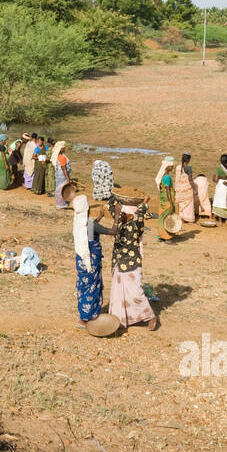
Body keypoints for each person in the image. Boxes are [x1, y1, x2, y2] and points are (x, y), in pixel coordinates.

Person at [66, 183, 114, 328]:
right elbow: (113, 232)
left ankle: (83, 316)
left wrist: (99, 217)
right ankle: (88, 318)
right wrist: (117, 216)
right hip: (91, 262)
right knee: (92, 288)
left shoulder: (78, 222)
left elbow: (91, 228)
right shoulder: (90, 225)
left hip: (81, 260)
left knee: (84, 287)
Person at [107, 195, 156, 329]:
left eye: (125, 214)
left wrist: (145, 201)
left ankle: (149, 316)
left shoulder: (137, 224)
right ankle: (121, 319)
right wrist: (115, 196)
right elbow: (110, 206)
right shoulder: (119, 221)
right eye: (121, 213)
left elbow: (141, 212)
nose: (122, 215)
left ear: (131, 215)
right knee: (119, 293)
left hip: (132, 263)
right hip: (119, 261)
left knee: (136, 292)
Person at [174, 153, 197, 224]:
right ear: (188, 160)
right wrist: (195, 189)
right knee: (189, 204)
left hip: (180, 189)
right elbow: (190, 180)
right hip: (187, 190)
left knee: (182, 204)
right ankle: (189, 219)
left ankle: (182, 218)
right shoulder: (188, 168)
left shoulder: (178, 167)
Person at [211, 153, 227, 223]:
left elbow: (216, 179)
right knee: (226, 202)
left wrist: (214, 177)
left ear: (220, 160)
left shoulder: (219, 169)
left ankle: (220, 219)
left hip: (221, 187)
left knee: (219, 201)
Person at [52, 141, 72, 208]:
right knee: (62, 190)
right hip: (62, 176)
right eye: (63, 148)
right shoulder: (62, 157)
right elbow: (64, 169)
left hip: (58, 175)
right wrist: (68, 179)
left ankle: (59, 204)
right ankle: (62, 204)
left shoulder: (58, 156)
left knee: (59, 189)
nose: (65, 149)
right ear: (60, 149)